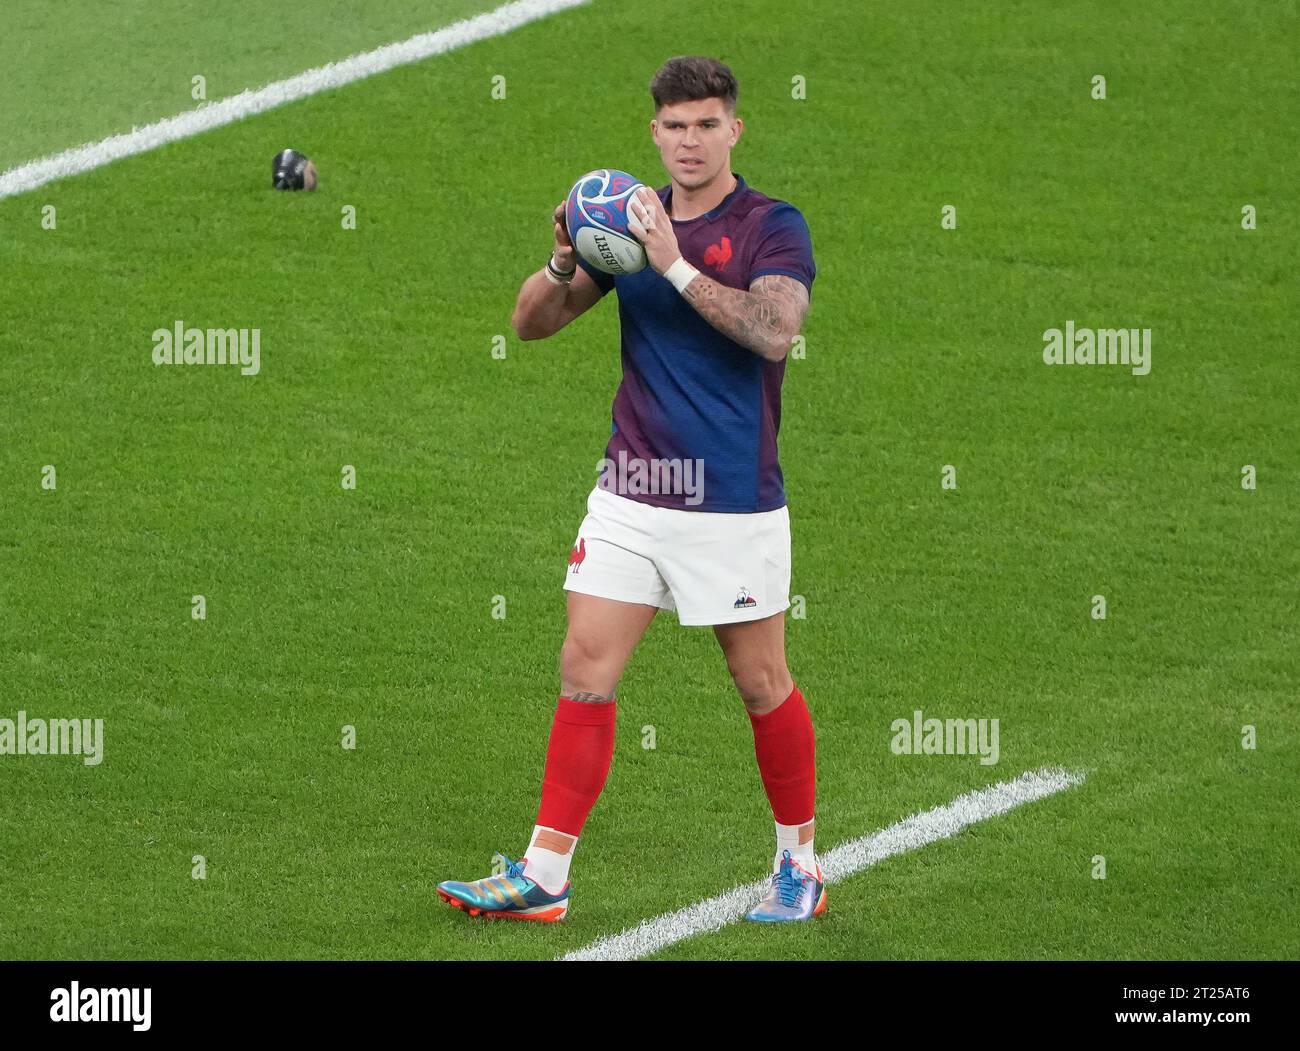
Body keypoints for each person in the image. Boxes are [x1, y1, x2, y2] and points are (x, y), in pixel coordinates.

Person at [437, 55, 821, 924]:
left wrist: (673, 263)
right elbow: (531, 324)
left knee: (760, 679)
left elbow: (773, 332)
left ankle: (800, 863)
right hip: (633, 486)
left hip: (728, 497)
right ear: (654, 132)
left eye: (706, 124)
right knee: (584, 665)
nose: (690, 141)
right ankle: (545, 874)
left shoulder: (770, 224)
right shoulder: (628, 223)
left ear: (735, 130)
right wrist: (568, 256)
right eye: (675, 126)